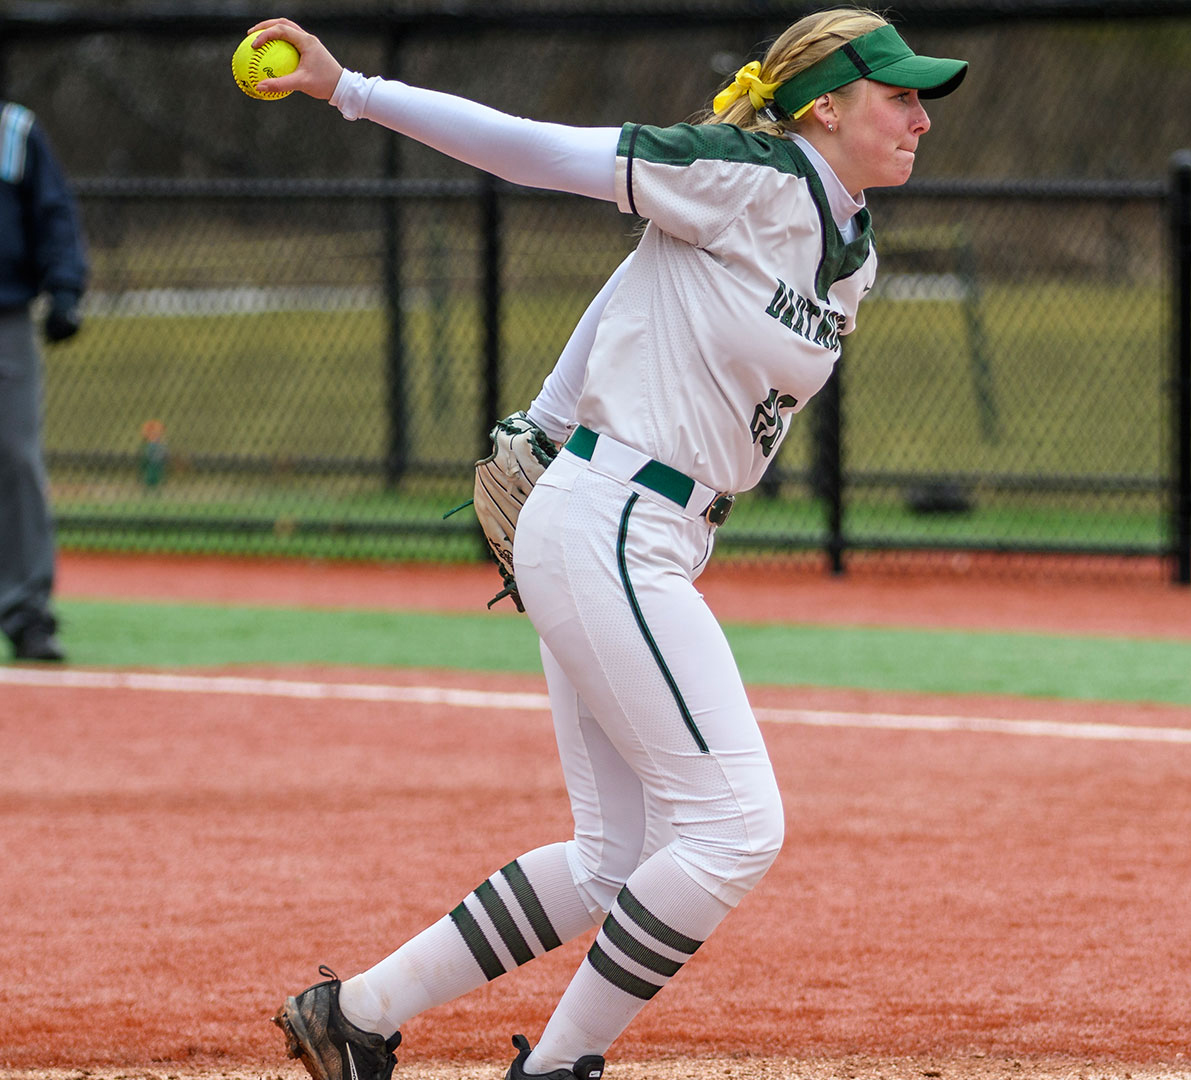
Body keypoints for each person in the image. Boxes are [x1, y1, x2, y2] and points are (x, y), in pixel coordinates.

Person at [246, 11, 964, 1080]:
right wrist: (353, 89)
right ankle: (557, 1067)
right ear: (826, 107)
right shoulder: (745, 173)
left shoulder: (848, 247)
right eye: (898, 95)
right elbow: (536, 149)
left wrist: (541, 419)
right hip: (613, 525)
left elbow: (644, 282)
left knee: (611, 861)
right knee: (735, 831)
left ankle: (353, 1015)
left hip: (649, 534)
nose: (919, 116)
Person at [1, 99, 87, 662]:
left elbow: (53, 212)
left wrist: (64, 289)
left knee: (15, 458)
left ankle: (27, 612)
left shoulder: (14, 130)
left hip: (3, 320)